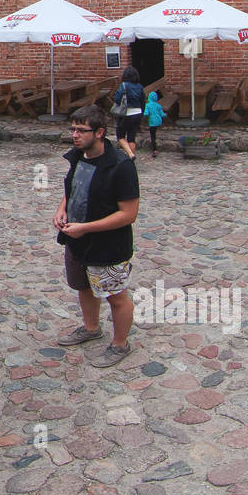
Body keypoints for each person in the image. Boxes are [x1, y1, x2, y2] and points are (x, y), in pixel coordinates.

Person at [55, 104, 143, 366]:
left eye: (81, 130)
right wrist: (61, 210)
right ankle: (91, 328)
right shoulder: (78, 156)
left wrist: (85, 227)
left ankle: (120, 344)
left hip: (108, 245)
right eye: (73, 129)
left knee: (116, 297)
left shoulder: (121, 166)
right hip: (77, 241)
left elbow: (128, 214)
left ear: (100, 132)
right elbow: (73, 188)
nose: (75, 135)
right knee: (83, 287)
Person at [113, 61, 147, 154]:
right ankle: (131, 158)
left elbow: (117, 99)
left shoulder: (123, 85)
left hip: (125, 114)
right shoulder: (140, 87)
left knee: (120, 136)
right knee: (131, 137)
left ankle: (131, 155)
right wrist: (141, 114)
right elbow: (143, 101)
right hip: (137, 114)